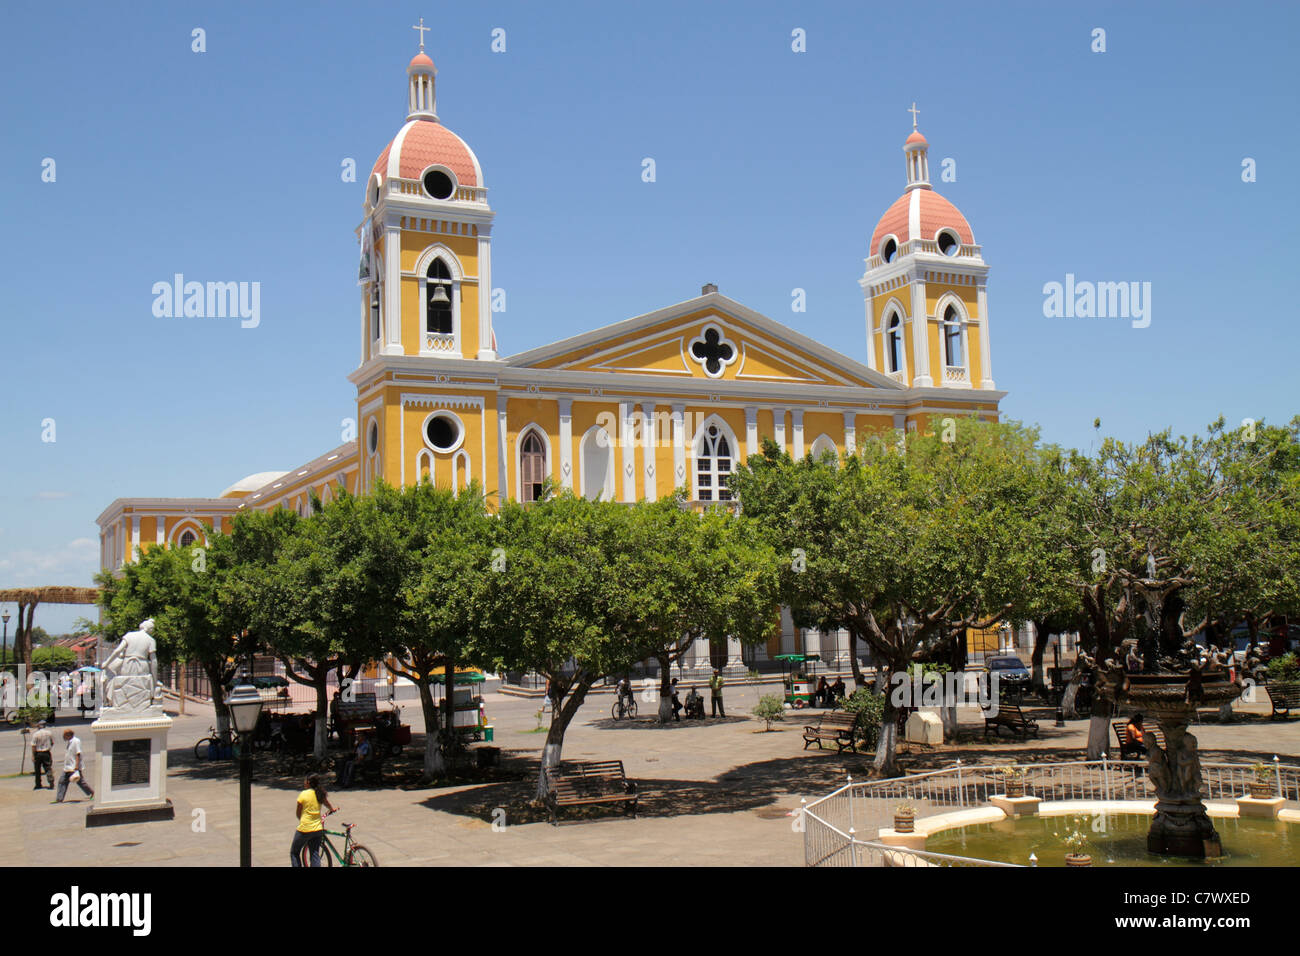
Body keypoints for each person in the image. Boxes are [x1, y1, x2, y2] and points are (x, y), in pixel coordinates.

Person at [291, 774, 336, 867]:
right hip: (317, 829)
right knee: (315, 854)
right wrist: (332, 809)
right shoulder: (319, 793)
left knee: (294, 852)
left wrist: (302, 820)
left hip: (304, 829)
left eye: (304, 781)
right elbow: (326, 803)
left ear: (308, 782)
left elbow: (298, 813)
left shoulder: (303, 794)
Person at [55, 729, 94, 802]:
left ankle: (92, 793)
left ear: (69, 735)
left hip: (73, 767)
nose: (64, 737)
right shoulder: (70, 742)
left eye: (64, 735)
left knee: (80, 782)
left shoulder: (76, 741)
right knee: (62, 781)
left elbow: (78, 753)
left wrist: (76, 765)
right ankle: (59, 799)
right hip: (67, 767)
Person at [31, 720, 54, 790]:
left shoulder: (36, 734)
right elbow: (52, 742)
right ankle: (51, 781)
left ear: (38, 726)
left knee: (37, 769)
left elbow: (33, 746)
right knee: (48, 768)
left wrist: (33, 755)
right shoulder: (49, 733)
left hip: (38, 753)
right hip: (46, 752)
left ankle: (38, 784)